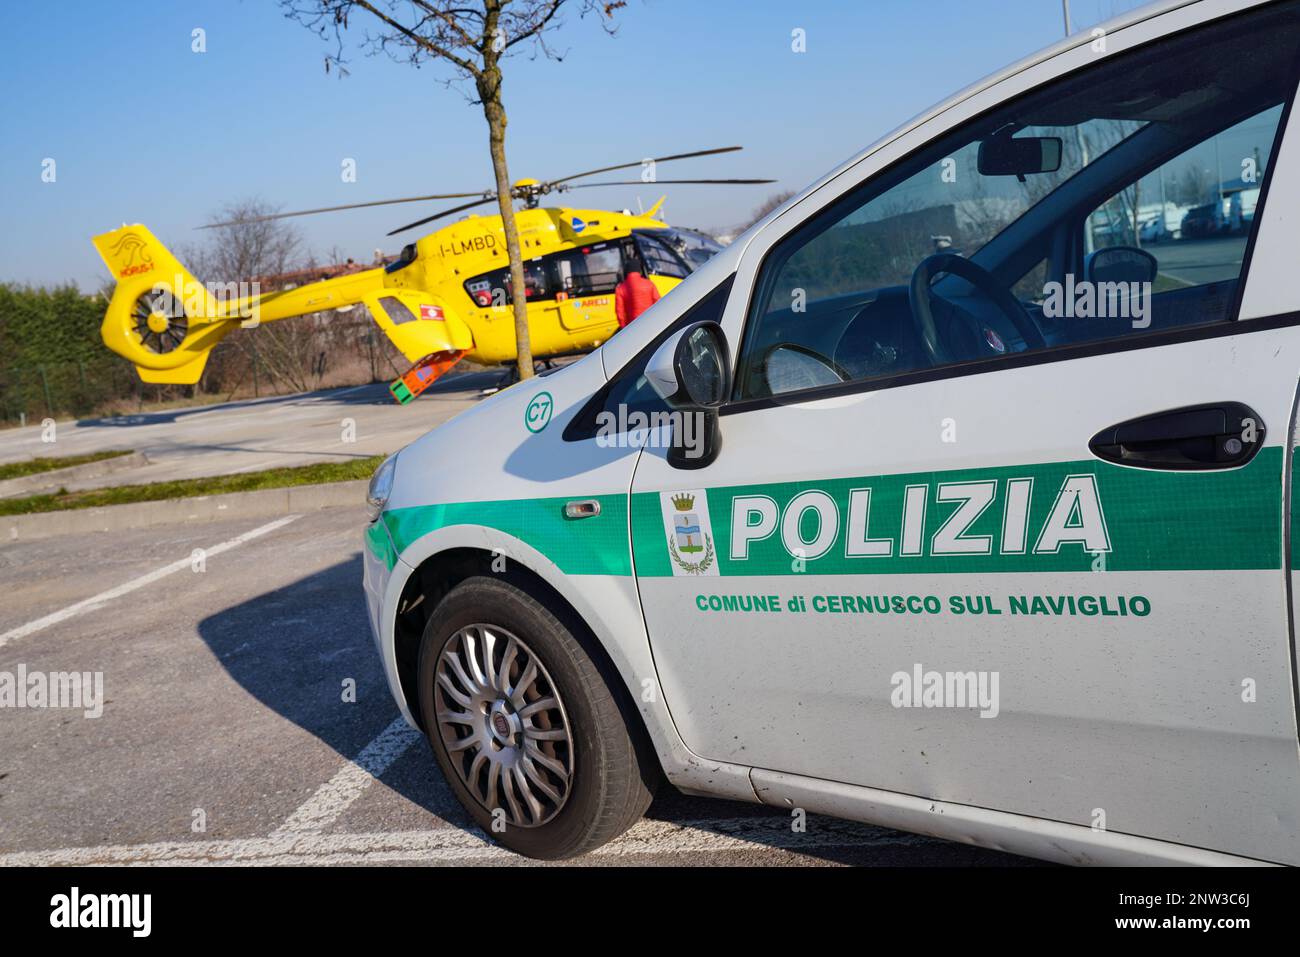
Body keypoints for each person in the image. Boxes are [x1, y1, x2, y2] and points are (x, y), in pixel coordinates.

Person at [614, 261, 660, 329]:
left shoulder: (620, 288)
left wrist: (624, 327)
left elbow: (619, 311)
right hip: (650, 322)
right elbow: (658, 303)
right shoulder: (649, 284)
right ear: (639, 271)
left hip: (632, 326)